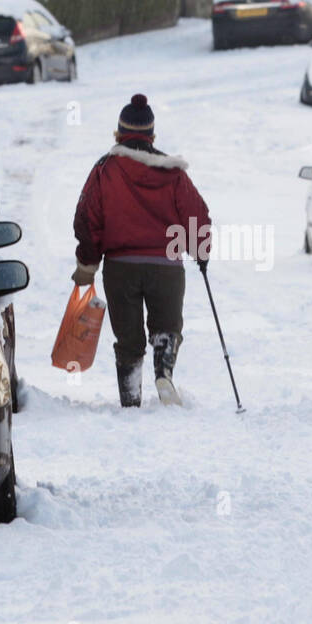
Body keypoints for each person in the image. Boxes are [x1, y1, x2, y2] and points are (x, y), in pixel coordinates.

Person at [72, 93, 210, 407]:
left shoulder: (105, 170)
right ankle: (163, 373)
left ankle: (131, 397)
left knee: (129, 339)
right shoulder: (173, 173)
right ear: (152, 136)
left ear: (118, 135)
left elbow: (87, 217)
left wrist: (87, 263)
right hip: (166, 266)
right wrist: (200, 250)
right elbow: (196, 214)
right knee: (166, 327)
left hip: (121, 268)